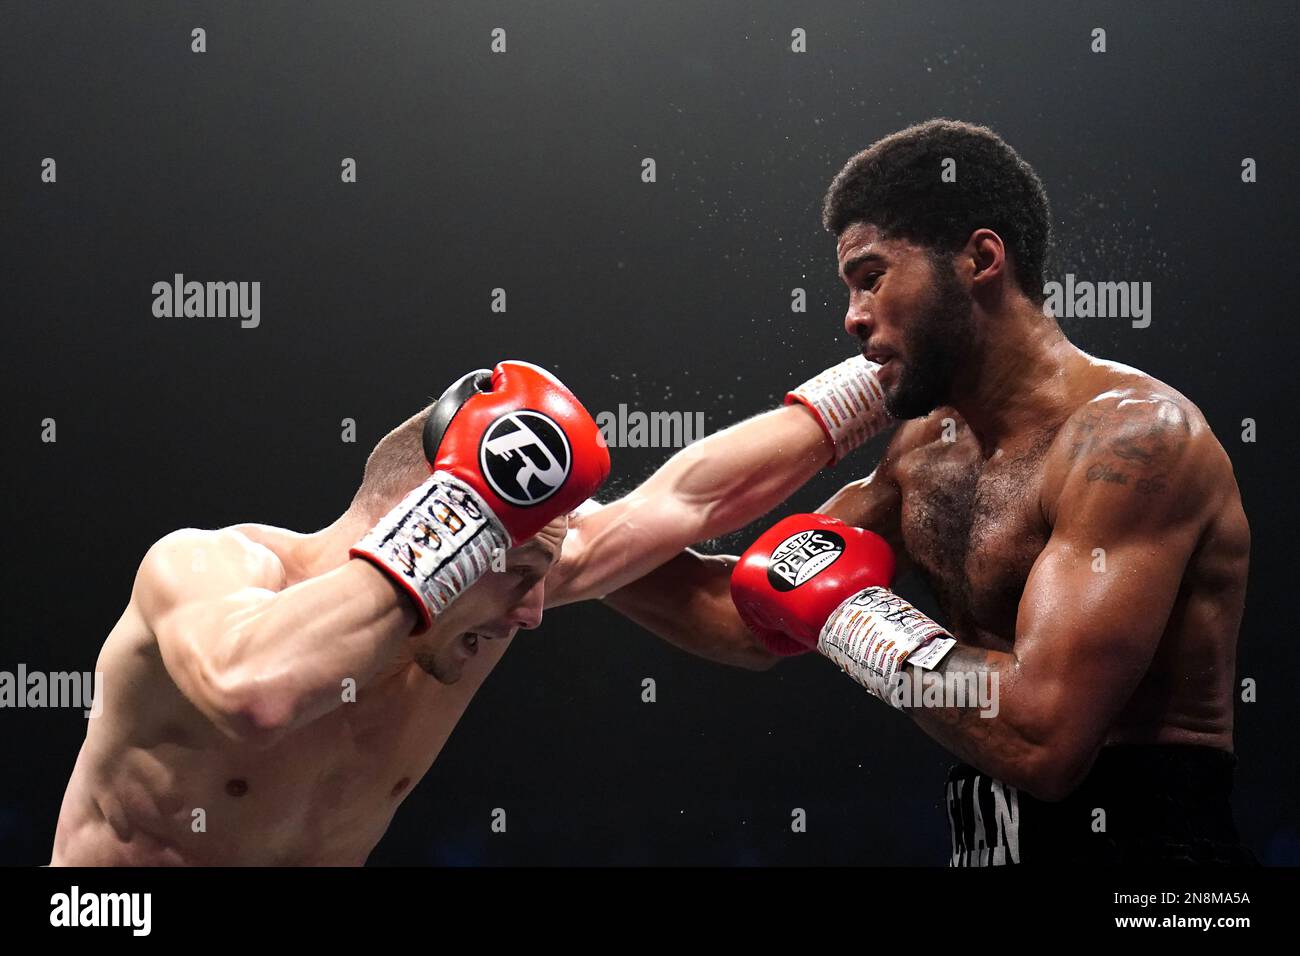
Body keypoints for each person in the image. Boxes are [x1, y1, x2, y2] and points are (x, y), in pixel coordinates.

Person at [606, 119, 1255, 865]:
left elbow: (1043, 738)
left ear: (980, 259)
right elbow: (749, 611)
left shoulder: (1137, 442)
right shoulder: (925, 452)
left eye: (872, 277)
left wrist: (853, 620)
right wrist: (552, 530)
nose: (852, 317)